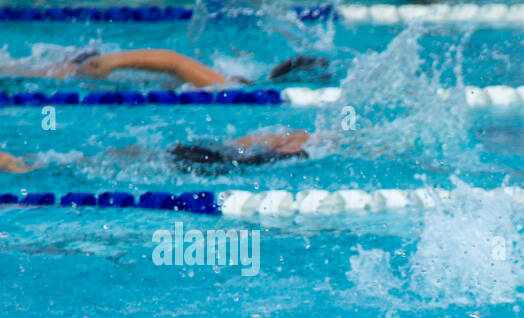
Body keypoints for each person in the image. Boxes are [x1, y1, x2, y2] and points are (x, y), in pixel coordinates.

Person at [0, 128, 314, 175]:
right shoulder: (299, 148)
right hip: (200, 158)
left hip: (199, 156)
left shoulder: (294, 142)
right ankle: (23, 166)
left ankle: (24, 165)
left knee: (116, 156)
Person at [1, 47, 330, 88]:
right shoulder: (234, 87)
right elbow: (175, 62)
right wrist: (117, 61)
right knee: (48, 75)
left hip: (127, 77)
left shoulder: (242, 80)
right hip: (114, 72)